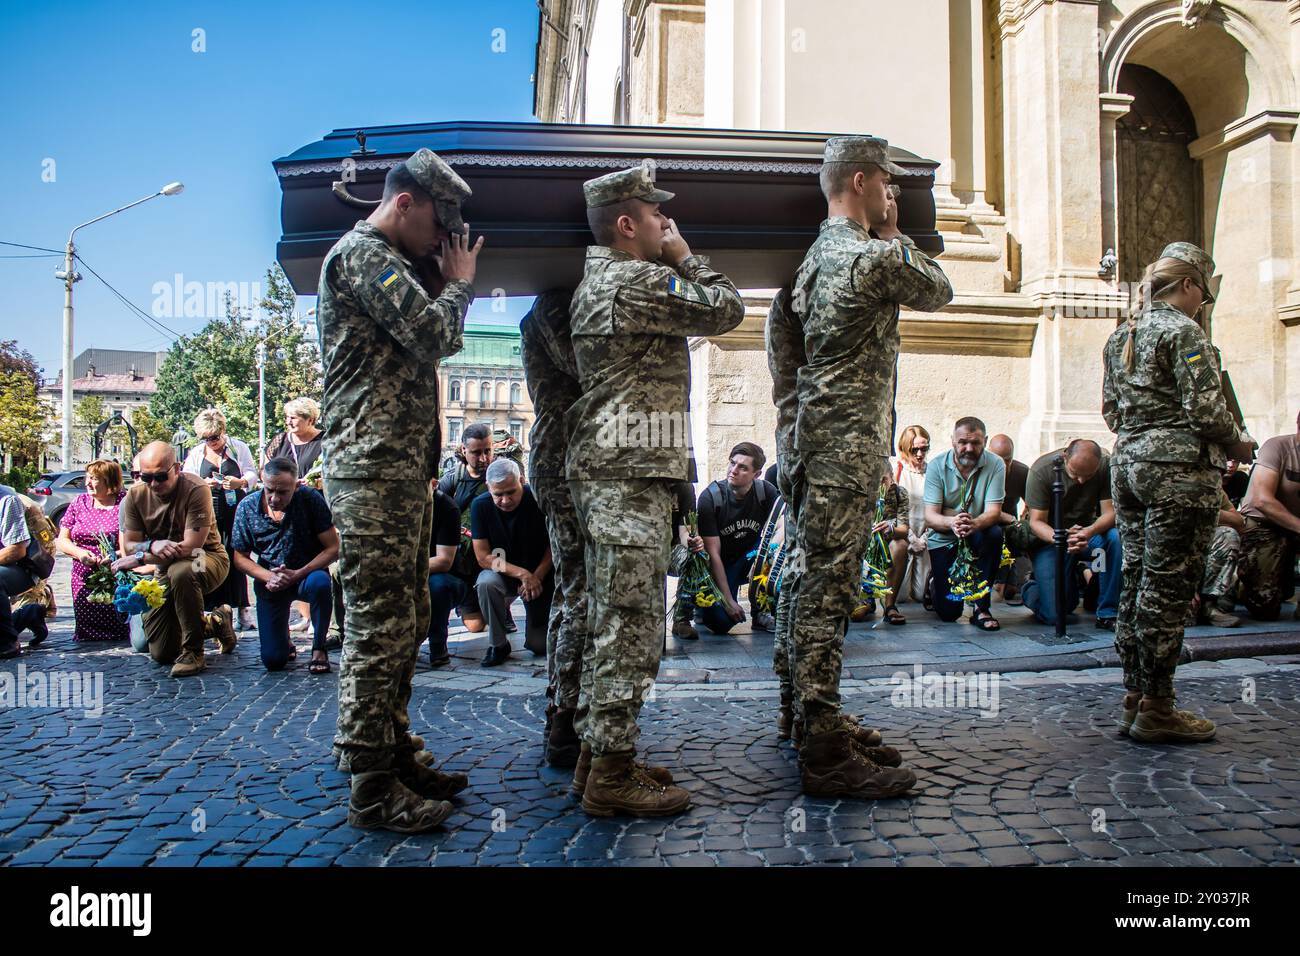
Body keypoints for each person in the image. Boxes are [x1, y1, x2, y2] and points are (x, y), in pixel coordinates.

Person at [566, 160, 743, 816]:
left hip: (620, 473)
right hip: (626, 477)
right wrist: (685, 253)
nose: (666, 222)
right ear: (625, 224)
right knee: (634, 626)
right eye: (655, 214)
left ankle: (596, 758)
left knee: (611, 621)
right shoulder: (633, 281)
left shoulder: (608, 281)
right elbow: (723, 308)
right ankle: (610, 775)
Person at [782, 136, 951, 800]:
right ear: (859, 181)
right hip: (844, 452)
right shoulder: (869, 257)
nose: (893, 196)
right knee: (827, 598)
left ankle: (805, 719)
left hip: (812, 446)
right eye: (887, 185)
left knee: (807, 587)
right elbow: (939, 289)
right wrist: (896, 234)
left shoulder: (809, 267)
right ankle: (823, 753)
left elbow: (783, 357)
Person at [318, 148, 479, 831]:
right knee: (380, 626)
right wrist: (461, 282)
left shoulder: (390, 259)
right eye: (440, 226)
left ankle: (392, 748)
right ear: (405, 202)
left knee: (405, 615)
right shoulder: (363, 257)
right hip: (372, 470)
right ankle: (371, 784)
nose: (445, 243)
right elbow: (433, 332)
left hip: (398, 471)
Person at [1101, 242, 1253, 744]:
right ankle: (1159, 708)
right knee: (1167, 589)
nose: (1201, 306)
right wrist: (1240, 441)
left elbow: (1111, 413)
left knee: (1137, 581)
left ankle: (1134, 696)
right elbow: (1208, 413)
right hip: (1178, 472)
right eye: (1202, 297)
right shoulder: (1185, 334)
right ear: (1188, 285)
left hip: (1129, 467)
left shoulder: (1122, 334)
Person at [520, 289, 588, 766]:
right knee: (578, 591)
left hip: (572, 457)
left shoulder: (562, 299)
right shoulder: (555, 304)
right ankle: (565, 718)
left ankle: (565, 711)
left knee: (573, 591)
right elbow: (593, 366)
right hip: (566, 459)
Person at [112, 440, 236, 676]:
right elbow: (129, 544)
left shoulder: (196, 488)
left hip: (205, 557)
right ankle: (216, 622)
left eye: (160, 476)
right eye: (145, 477)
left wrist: (140, 558)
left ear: (176, 468)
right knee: (162, 653)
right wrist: (151, 545)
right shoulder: (135, 496)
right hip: (163, 565)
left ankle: (194, 652)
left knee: (182, 571)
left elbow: (191, 546)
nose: (153, 484)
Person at [230, 457, 339, 673]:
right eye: (270, 490)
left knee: (320, 583)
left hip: (307, 573)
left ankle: (319, 647)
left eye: (282, 492)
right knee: (273, 660)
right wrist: (268, 576)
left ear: (296, 486)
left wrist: (299, 573)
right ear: (262, 481)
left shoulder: (310, 500)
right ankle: (284, 641)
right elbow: (239, 557)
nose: (274, 498)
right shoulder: (247, 507)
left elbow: (333, 548)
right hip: (270, 578)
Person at [1018, 440, 1121, 629]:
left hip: (1088, 533)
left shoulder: (1106, 466)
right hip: (1051, 539)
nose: (1081, 481)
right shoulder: (1042, 470)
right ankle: (1031, 587)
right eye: (1075, 474)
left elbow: (1110, 513)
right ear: (1065, 457)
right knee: (1056, 615)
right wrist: (1063, 537)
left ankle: (1108, 611)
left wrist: (1087, 532)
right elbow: (1036, 521)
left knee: (1114, 539)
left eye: (1088, 476)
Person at [925, 417, 1007, 629]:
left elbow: (993, 512)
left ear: (985, 441)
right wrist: (952, 522)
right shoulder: (936, 466)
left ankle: (981, 606)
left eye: (976, 443)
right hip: (944, 538)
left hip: (977, 532)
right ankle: (935, 581)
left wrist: (974, 523)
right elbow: (931, 516)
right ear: (953, 441)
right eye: (962, 442)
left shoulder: (996, 464)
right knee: (949, 613)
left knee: (994, 533)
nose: (968, 448)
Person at [471, 459, 553, 667]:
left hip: (540, 575)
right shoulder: (480, 506)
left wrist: (537, 576)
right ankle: (498, 644)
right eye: (498, 495)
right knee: (485, 582)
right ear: (488, 488)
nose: (505, 500)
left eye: (511, 492)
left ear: (522, 482)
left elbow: (555, 545)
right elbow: (483, 557)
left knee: (539, 646)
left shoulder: (538, 500)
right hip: (504, 571)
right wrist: (522, 574)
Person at [182, 408, 258, 630]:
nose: (211, 443)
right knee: (208, 557)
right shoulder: (197, 453)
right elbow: (187, 478)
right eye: (206, 439)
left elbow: (252, 473)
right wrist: (204, 483)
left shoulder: (238, 447)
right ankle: (213, 609)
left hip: (234, 509)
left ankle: (243, 608)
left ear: (223, 431)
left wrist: (240, 482)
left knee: (237, 557)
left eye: (214, 438)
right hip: (208, 508)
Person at [695, 442, 778, 635]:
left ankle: (761, 612)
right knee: (719, 621)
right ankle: (702, 605)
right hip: (723, 562)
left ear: (756, 474)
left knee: (775, 546)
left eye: (742, 467)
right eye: (732, 463)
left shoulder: (766, 493)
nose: (733, 470)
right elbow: (713, 553)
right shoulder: (711, 497)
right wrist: (729, 601)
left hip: (754, 559)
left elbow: (779, 530)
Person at [54, 458, 130, 643]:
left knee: (120, 626)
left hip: (117, 574)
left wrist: (116, 556)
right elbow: (62, 540)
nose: (87, 482)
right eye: (88, 477)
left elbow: (136, 541)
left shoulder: (125, 502)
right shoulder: (80, 502)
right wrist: (80, 553)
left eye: (95, 478)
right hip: (83, 575)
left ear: (110, 482)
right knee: (87, 632)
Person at [1235, 411, 1300, 621]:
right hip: (1265, 525)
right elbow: (1262, 500)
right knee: (1265, 608)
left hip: (1296, 529)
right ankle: (1237, 583)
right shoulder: (1278, 447)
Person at [435, 423, 494, 634]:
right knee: (475, 627)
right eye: (476, 453)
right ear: (463, 451)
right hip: (460, 561)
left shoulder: (499, 476)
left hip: (492, 557)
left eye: (488, 451)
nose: (483, 458)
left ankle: (500, 607)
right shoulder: (452, 479)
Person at [0, 485, 49, 658]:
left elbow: (16, 550)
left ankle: (7, 643)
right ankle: (29, 614)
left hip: (20, 568)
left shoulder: (6, 500)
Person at [425, 483, 470, 669]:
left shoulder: (446, 507)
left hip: (446, 577)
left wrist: (403, 568)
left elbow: (444, 561)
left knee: (437, 585)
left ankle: (437, 645)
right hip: (410, 571)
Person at [890, 425, 932, 608]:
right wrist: (910, 537)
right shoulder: (897, 471)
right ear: (905, 448)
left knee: (921, 594)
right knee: (900, 596)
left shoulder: (932, 472)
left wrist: (924, 538)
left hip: (925, 536)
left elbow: (939, 506)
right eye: (915, 449)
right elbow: (891, 510)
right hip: (903, 535)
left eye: (924, 448)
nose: (920, 454)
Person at [1190, 489, 1244, 628]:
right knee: (1183, 622)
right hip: (1165, 566)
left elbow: (1238, 521)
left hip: (1197, 552)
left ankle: (1209, 604)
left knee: (1227, 535)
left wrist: (1202, 511)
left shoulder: (1210, 485)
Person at [988, 433, 1030, 603]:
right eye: (998, 459)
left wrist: (1025, 517)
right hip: (987, 520)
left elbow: (1033, 503)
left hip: (1010, 523)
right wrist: (1010, 518)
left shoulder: (1021, 472)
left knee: (1020, 531)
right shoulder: (981, 470)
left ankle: (1011, 582)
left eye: (1008, 459)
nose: (1003, 465)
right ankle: (998, 582)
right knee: (996, 533)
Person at [668, 480, 703, 641]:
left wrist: (690, 541)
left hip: (671, 546)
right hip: (642, 544)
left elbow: (685, 530)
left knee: (692, 557)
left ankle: (682, 618)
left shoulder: (684, 487)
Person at [263, 397, 324, 479]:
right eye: (287, 417)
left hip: (314, 491)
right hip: (282, 491)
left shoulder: (325, 441)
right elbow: (264, 471)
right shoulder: (279, 440)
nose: (288, 422)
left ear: (310, 420)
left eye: (293, 418)